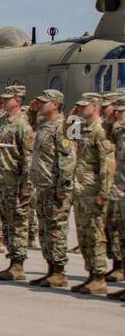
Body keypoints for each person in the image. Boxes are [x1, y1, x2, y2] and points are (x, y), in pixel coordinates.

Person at [28, 89, 74, 287]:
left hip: (55, 187)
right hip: (42, 185)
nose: (40, 105)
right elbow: (28, 126)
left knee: (56, 229)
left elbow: (68, 159)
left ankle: (59, 271)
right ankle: (50, 268)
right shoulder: (43, 124)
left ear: (55, 104)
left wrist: (63, 187)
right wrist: (31, 111)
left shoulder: (64, 126)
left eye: (44, 102)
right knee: (45, 229)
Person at [71, 94, 115, 294]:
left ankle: (99, 276)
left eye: (84, 106)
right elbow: (68, 136)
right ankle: (90, 274)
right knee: (84, 235)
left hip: (93, 191)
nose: (80, 109)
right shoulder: (84, 129)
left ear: (95, 107)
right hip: (81, 191)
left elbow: (107, 165)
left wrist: (103, 194)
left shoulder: (101, 130)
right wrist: (71, 117)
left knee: (96, 235)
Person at [0, 86, 35, 280]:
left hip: (16, 181)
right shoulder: (2, 121)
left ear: (17, 101)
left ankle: (18, 264)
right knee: (7, 222)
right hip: (2, 181)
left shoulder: (22, 126)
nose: (4, 101)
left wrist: (27, 185)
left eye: (8, 99)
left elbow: (28, 157)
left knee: (17, 223)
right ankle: (12, 262)